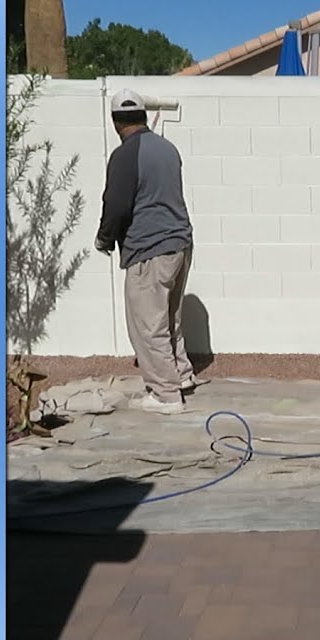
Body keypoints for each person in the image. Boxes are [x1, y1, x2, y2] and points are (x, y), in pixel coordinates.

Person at [95, 89, 204, 415]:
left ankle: (165, 394)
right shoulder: (167, 148)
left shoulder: (124, 155)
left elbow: (116, 204)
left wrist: (105, 238)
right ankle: (181, 376)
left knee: (147, 324)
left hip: (149, 249)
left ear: (115, 122)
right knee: (170, 318)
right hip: (180, 244)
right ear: (142, 116)